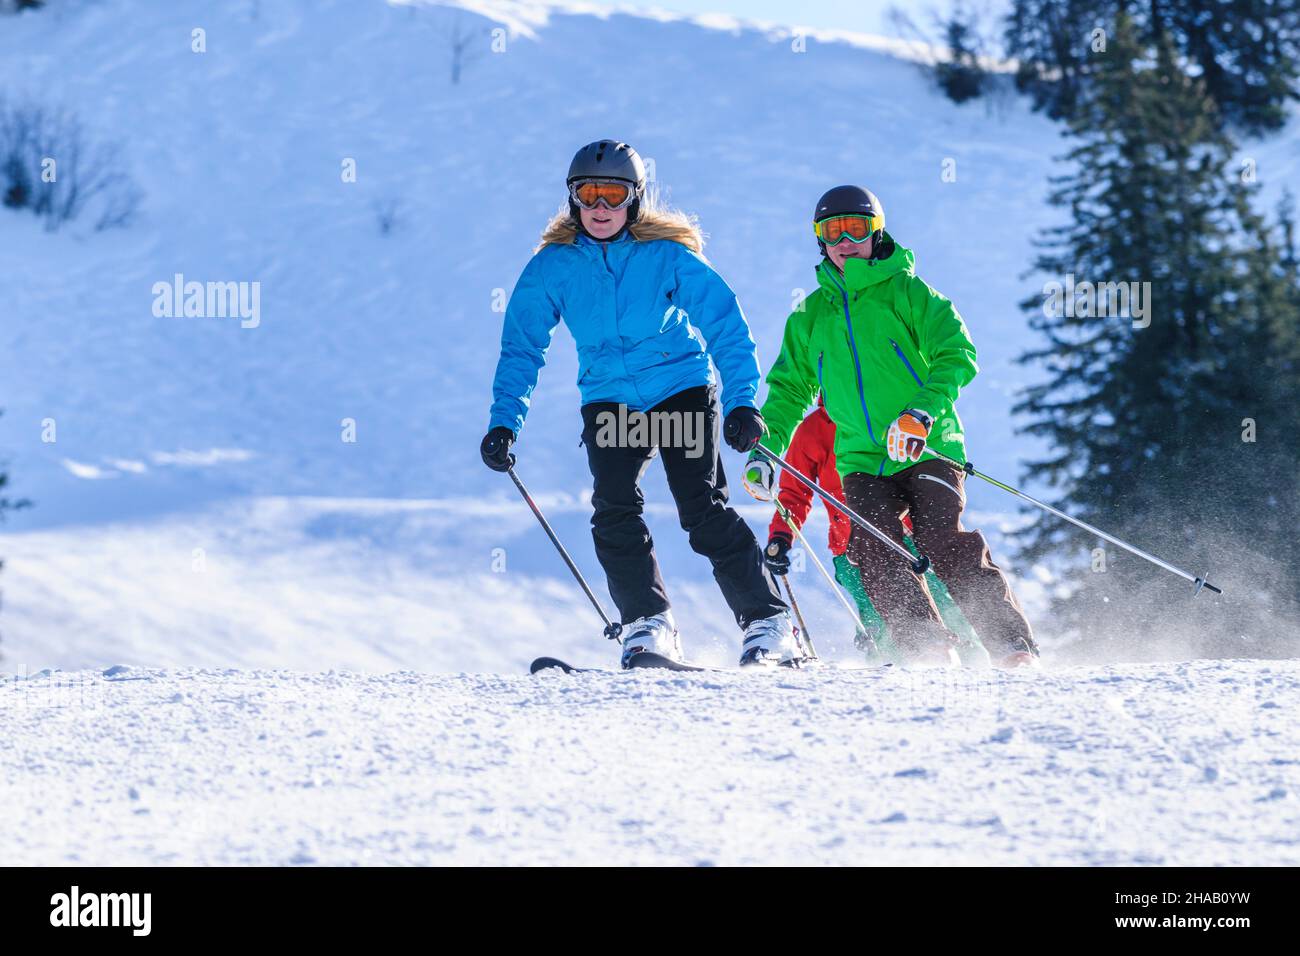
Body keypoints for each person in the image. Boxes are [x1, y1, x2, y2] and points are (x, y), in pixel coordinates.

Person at [480, 140, 798, 668]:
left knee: (701, 508)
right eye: (588, 194)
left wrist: (743, 402)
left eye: (613, 194)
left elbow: (726, 325)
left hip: (680, 388)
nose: (600, 208)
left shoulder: (666, 256)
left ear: (636, 199)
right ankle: (648, 624)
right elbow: (521, 347)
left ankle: (768, 622)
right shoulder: (551, 268)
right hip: (609, 400)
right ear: (572, 199)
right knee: (614, 510)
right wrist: (504, 422)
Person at [747, 184, 1039, 668]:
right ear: (819, 239)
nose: (844, 240)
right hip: (861, 457)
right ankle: (925, 645)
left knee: (942, 539)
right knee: (872, 545)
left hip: (926, 445)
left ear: (876, 232)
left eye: (856, 229)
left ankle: (1011, 646)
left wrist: (920, 413)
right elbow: (788, 391)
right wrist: (767, 450)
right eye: (831, 230)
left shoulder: (909, 291)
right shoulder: (809, 315)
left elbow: (957, 353)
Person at [759, 395, 980, 661]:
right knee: (884, 619)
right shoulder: (813, 430)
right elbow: (795, 492)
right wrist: (781, 537)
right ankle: (888, 679)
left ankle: (979, 665)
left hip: (906, 537)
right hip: (850, 549)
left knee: (947, 605)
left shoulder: (884, 408)